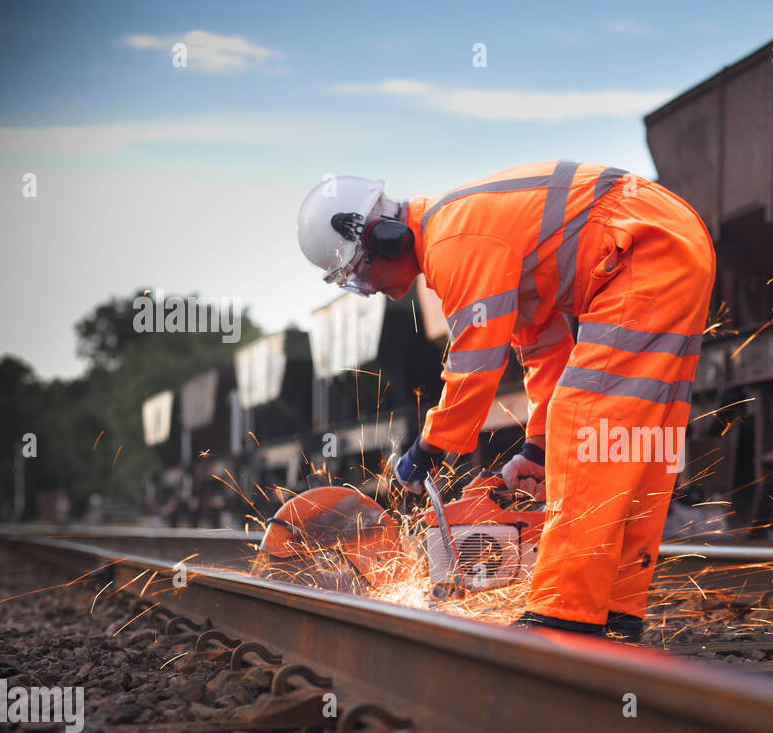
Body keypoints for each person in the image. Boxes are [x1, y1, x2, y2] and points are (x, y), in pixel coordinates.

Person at [297, 162, 715, 641]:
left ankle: (565, 616)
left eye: (361, 274)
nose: (373, 292)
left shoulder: (453, 242)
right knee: (632, 437)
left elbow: (476, 362)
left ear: (384, 237)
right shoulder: (470, 235)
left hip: (643, 244)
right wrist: (536, 450)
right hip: (665, 241)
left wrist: (427, 450)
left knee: (588, 427)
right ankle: (615, 609)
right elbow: (542, 346)